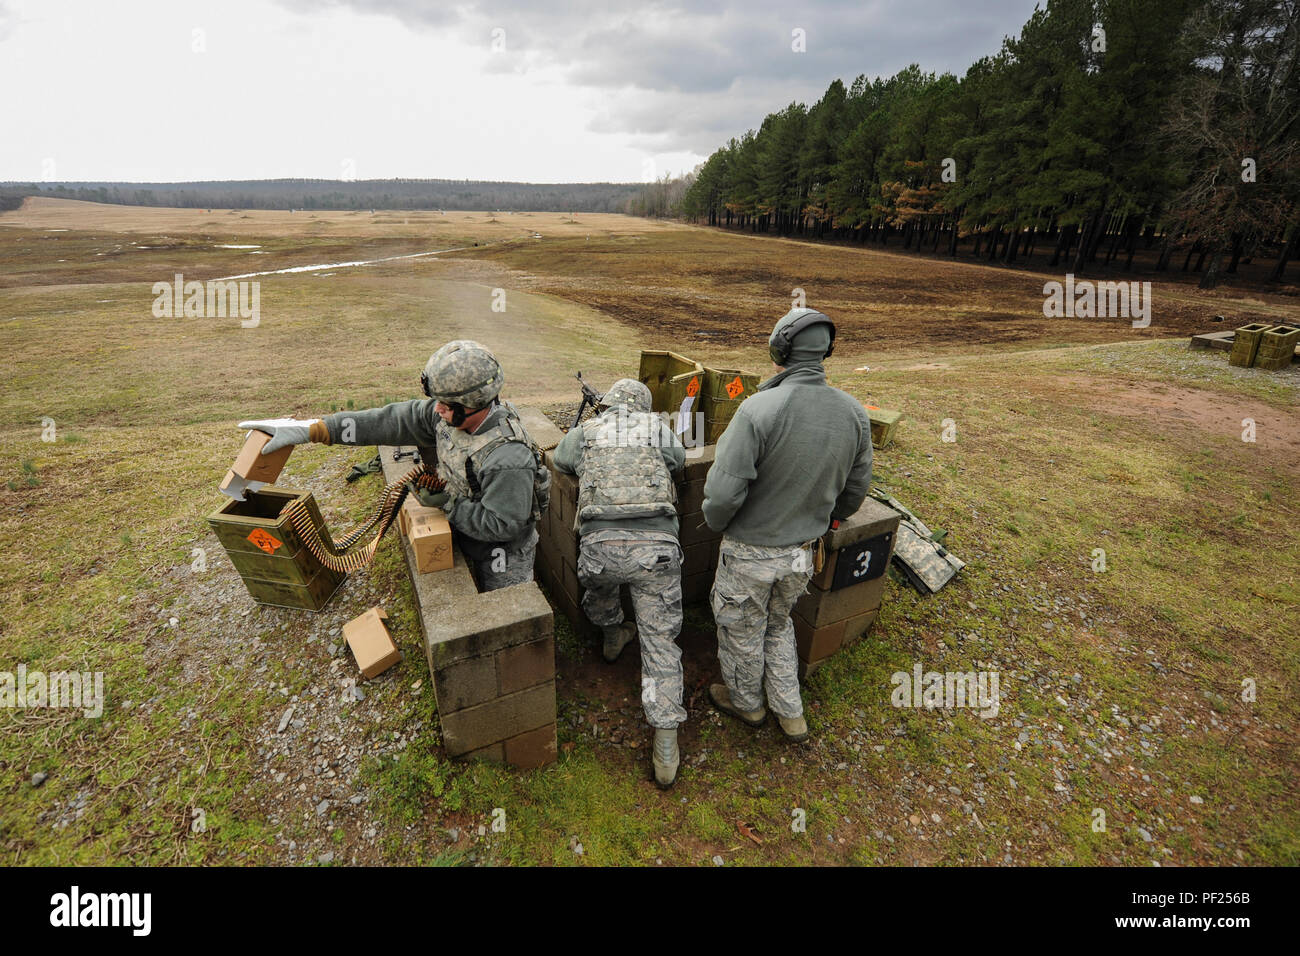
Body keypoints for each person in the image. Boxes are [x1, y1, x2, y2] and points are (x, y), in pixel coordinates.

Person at [238, 339, 548, 591]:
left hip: (501, 553)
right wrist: (315, 429)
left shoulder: (507, 458)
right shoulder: (453, 414)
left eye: (445, 403)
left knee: (503, 611)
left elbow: (504, 526)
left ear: (473, 401)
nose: (436, 409)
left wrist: (449, 504)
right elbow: (390, 421)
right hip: (467, 530)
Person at [701, 307, 873, 742]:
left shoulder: (758, 409)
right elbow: (854, 493)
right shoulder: (853, 413)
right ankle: (790, 712)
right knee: (778, 624)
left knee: (743, 629)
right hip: (802, 552)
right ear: (826, 352)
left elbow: (721, 498)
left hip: (749, 552)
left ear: (778, 350)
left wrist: (718, 524)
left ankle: (748, 706)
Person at [553, 378, 687, 787]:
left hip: (600, 546)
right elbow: (678, 461)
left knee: (600, 587)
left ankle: (612, 633)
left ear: (607, 405)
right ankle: (665, 740)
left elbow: (560, 462)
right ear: (643, 407)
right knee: (660, 639)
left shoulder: (585, 431)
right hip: (656, 550)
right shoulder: (656, 428)